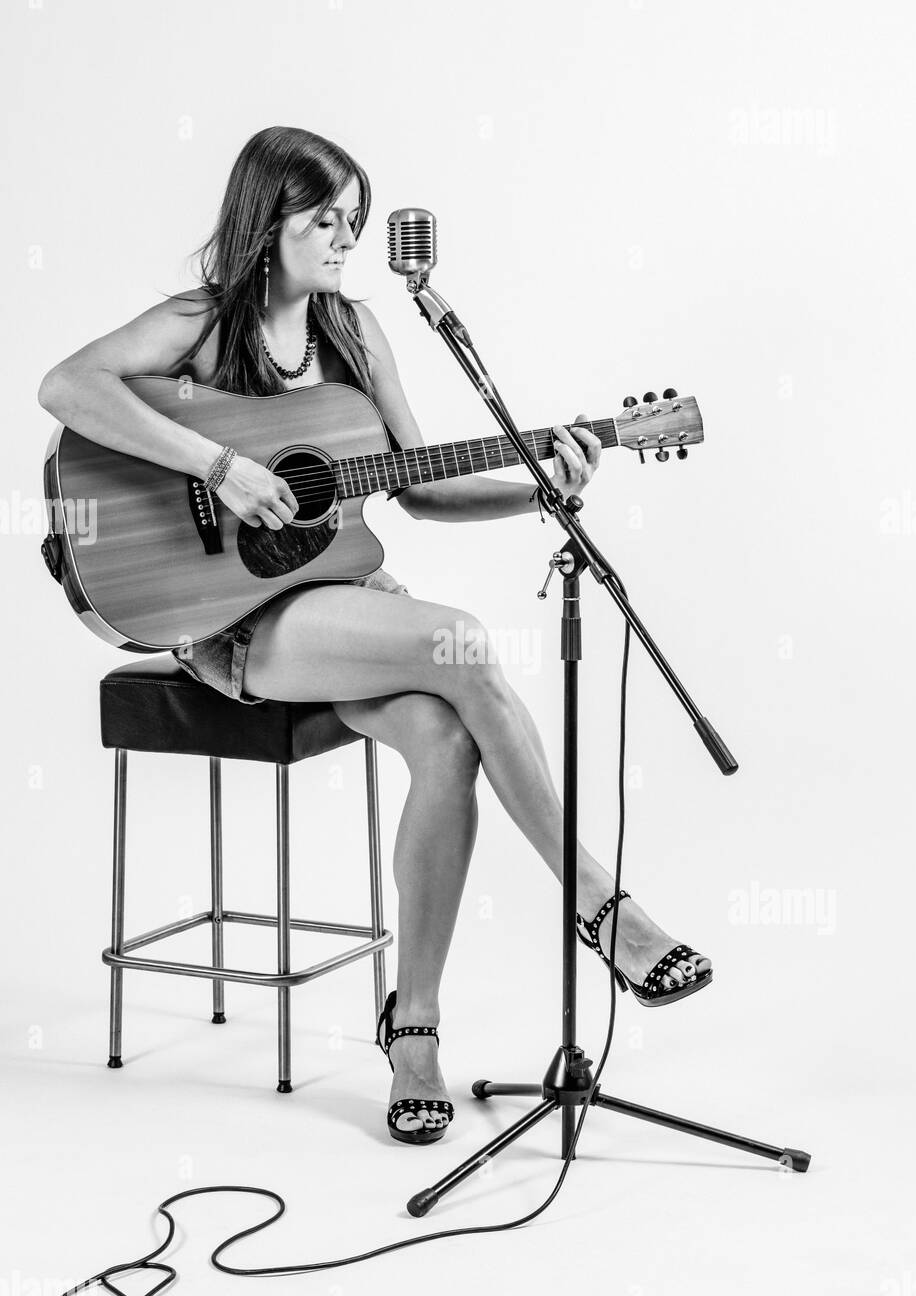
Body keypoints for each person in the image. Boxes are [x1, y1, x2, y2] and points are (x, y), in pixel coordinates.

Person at [38, 126, 712, 1146]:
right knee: (461, 641)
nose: (346, 234)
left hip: (342, 600)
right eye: (326, 218)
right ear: (268, 221)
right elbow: (67, 387)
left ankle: (416, 1033)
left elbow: (418, 485)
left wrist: (543, 481)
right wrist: (221, 468)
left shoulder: (355, 332)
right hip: (233, 624)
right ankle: (599, 903)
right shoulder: (199, 327)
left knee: (445, 742)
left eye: (355, 216)